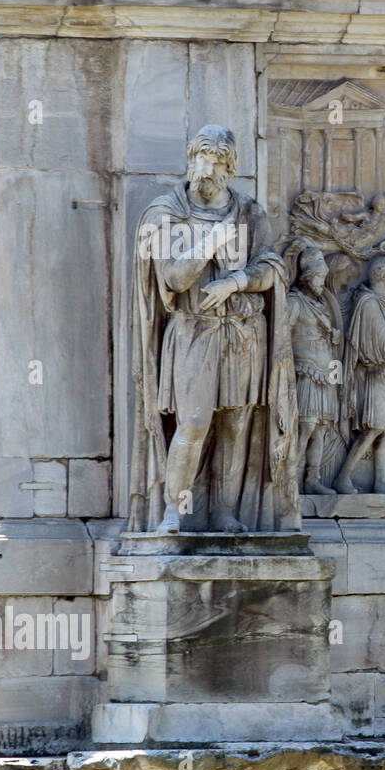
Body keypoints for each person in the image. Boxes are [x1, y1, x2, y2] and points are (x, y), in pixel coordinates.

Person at [130, 124, 299, 533]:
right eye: (200, 160)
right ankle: (175, 509)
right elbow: (172, 278)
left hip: (242, 331)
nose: (206, 169)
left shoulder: (248, 210)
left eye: (216, 162)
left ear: (230, 167)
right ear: (190, 162)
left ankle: (225, 512)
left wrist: (236, 281)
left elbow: (272, 266)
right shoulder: (166, 212)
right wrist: (212, 241)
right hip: (193, 330)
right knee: (193, 423)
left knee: (237, 422)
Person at [335, 255, 385, 494]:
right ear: (383, 275)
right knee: (374, 426)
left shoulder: (384, 303)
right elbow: (379, 341)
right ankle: (344, 476)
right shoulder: (369, 303)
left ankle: (381, 479)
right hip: (373, 372)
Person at [287, 243, 343, 495]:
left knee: (320, 428)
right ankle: (290, 477)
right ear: (307, 277)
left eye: (324, 277)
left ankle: (312, 478)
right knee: (305, 426)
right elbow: (282, 337)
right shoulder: (294, 302)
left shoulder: (321, 305)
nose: (322, 282)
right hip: (306, 370)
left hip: (324, 372)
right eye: (319, 277)